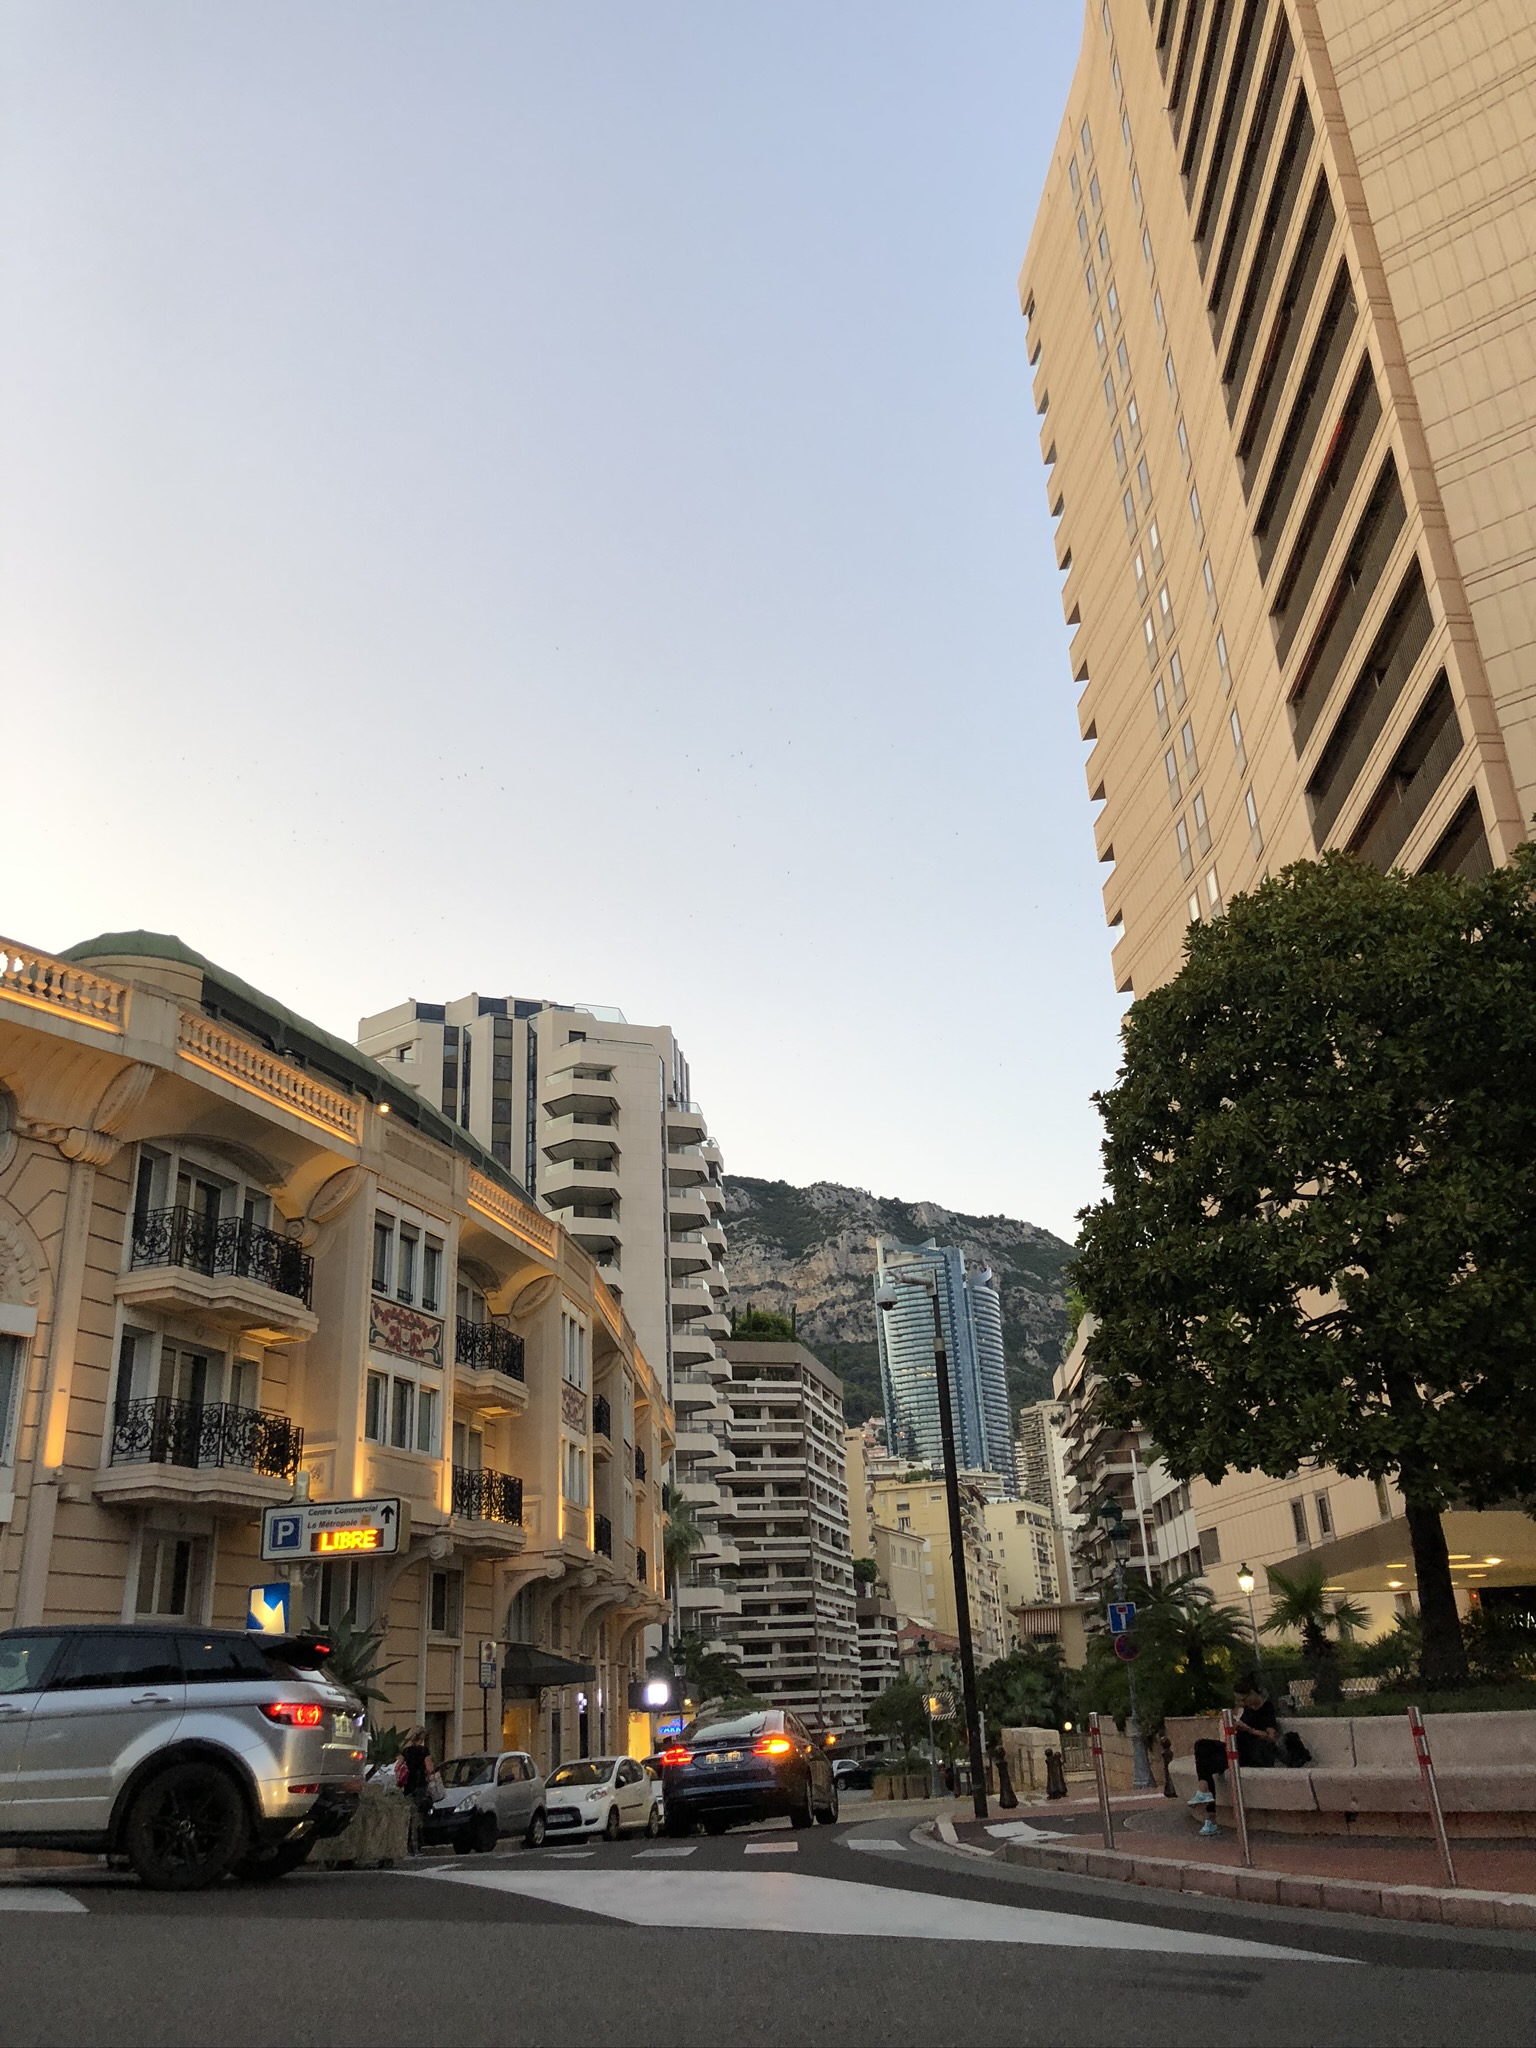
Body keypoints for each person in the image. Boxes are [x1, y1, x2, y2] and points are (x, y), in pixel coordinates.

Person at [1189, 1677, 1279, 1837]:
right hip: (1235, 1749)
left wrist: (1248, 1729)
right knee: (1201, 1747)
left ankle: (1210, 1818)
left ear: (1252, 1693)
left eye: (1243, 1699)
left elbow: (1271, 1737)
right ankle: (1204, 1795)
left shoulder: (1267, 1708)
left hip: (1250, 1754)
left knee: (1207, 1765)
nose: (1242, 1703)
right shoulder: (1247, 1710)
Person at [397, 1725, 436, 1853]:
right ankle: (417, 1844)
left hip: (408, 1785)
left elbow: (397, 1766)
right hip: (419, 1785)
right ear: (423, 1738)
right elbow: (430, 1769)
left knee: (409, 1814)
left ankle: (407, 1843)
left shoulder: (406, 1751)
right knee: (418, 1814)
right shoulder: (424, 1751)